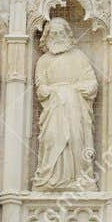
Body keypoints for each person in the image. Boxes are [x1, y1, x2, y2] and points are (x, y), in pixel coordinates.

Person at [33, 18, 98, 191]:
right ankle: (50, 178)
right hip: (54, 109)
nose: (57, 36)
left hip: (75, 108)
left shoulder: (78, 56)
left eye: (61, 33)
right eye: (53, 33)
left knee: (76, 138)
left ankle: (79, 178)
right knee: (52, 137)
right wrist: (51, 91)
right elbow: (41, 86)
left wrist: (76, 90)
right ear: (46, 37)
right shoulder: (44, 61)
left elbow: (91, 82)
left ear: (68, 35)